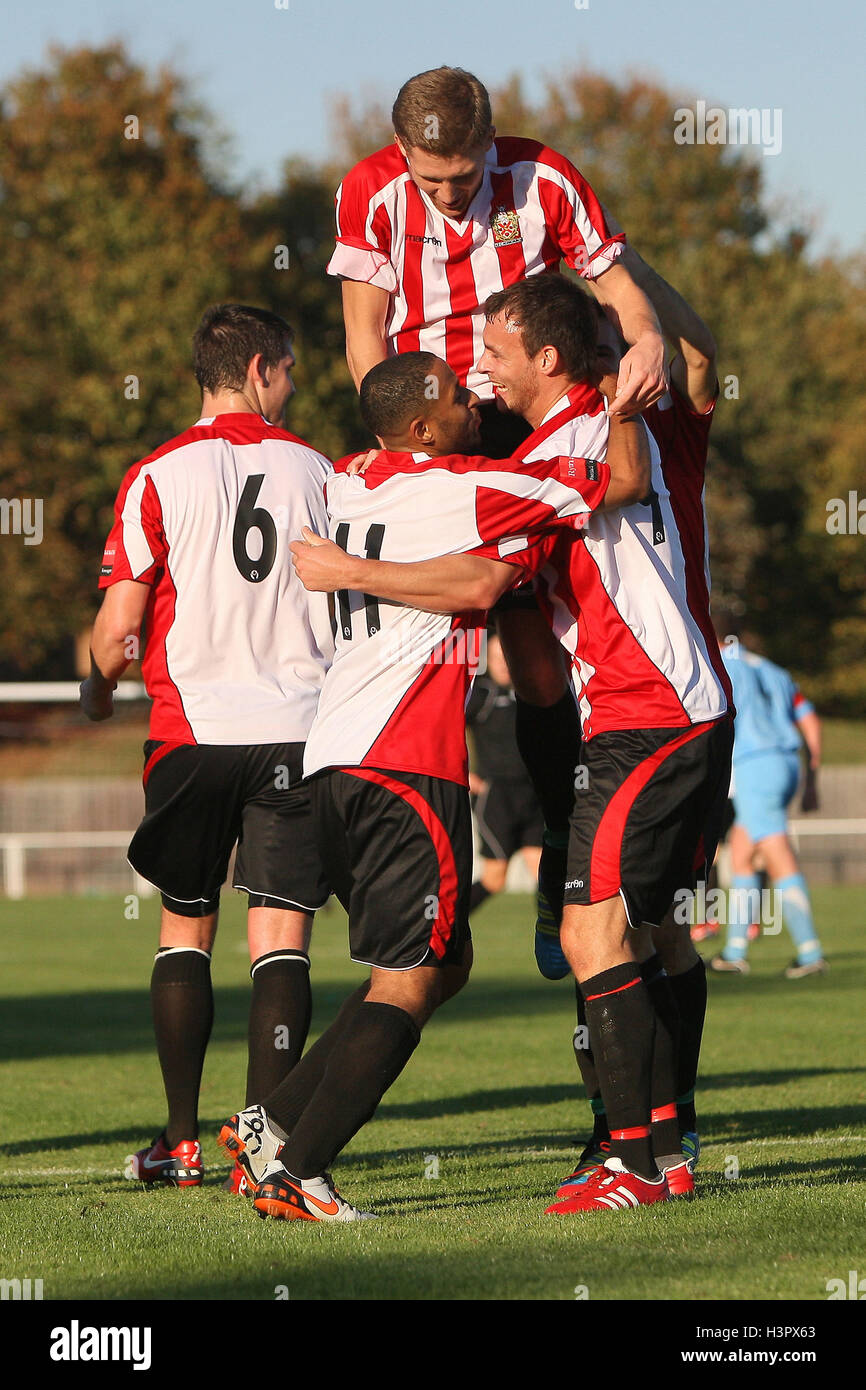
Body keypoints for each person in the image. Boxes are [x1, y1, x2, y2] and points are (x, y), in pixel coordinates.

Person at [302, 274, 733, 1214]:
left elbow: (492, 578)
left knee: (595, 932)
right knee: (650, 934)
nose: (477, 369)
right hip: (669, 713)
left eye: (490, 352)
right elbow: (698, 364)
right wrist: (632, 295)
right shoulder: (620, 422)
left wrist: (616, 273)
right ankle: (667, 1144)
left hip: (648, 714)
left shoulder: (597, 431)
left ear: (545, 358)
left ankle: (633, 1164)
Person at [215, 348, 651, 1222]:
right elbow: (620, 483)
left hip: (336, 754)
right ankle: (299, 1170)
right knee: (408, 981)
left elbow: (406, 523)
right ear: (421, 428)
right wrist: (627, 404)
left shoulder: (349, 481)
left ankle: (269, 1120)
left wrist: (359, 564)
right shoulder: (468, 489)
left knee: (441, 968)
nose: (474, 401)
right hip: (403, 762)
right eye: (457, 398)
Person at [81, 304, 334, 1191]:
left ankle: (181, 1142)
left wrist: (98, 682)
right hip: (299, 731)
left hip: (193, 733)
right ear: (261, 368)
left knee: (187, 923)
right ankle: (265, 1154)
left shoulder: (156, 473)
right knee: (282, 942)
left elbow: (118, 632)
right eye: (291, 370)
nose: (293, 386)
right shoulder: (320, 469)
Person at [710, 625, 826, 978]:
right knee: (743, 852)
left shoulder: (722, 667)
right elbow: (809, 719)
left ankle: (811, 953)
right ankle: (734, 952)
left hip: (756, 765)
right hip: (785, 763)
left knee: (778, 854)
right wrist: (813, 775)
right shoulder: (773, 670)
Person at [466, 633, 543, 914]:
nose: (502, 664)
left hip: (533, 795)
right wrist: (466, 775)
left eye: (507, 657)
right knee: (494, 878)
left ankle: (556, 941)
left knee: (547, 874)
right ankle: (448, 928)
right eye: (496, 658)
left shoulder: (530, 691)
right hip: (497, 797)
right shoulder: (480, 694)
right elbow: (443, 730)